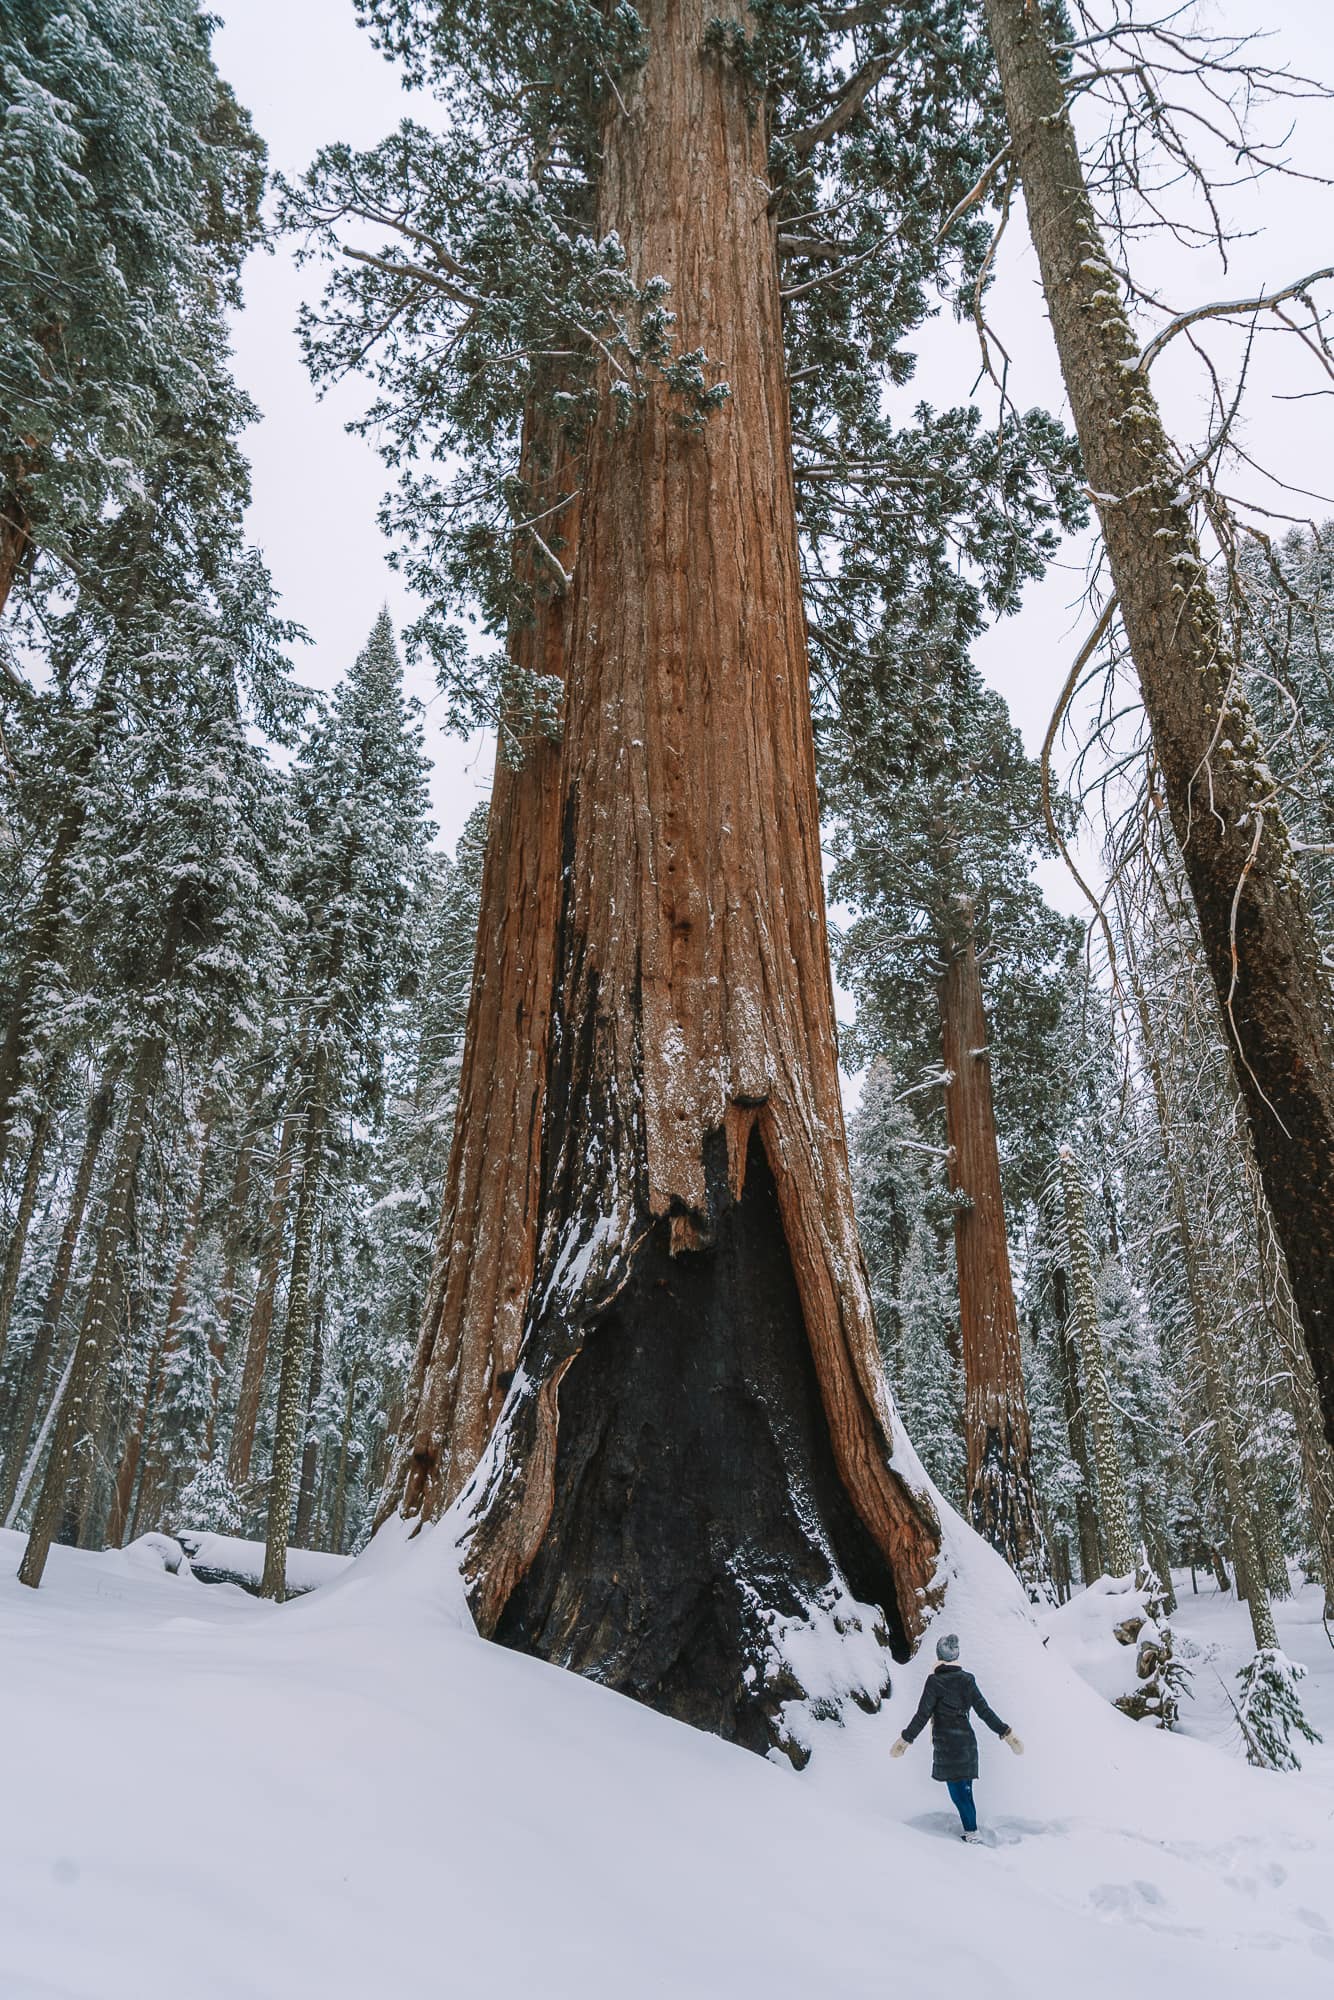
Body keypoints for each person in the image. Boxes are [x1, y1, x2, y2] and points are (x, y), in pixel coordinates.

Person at [889, 1632, 1023, 1842]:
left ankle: (971, 1833)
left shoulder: (934, 1682)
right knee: (966, 1791)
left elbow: (923, 1715)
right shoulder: (967, 1680)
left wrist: (906, 1740)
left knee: (959, 1794)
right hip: (967, 1744)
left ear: (938, 1655)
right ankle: (971, 1830)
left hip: (948, 1746)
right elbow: (984, 1711)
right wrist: (1006, 1733)